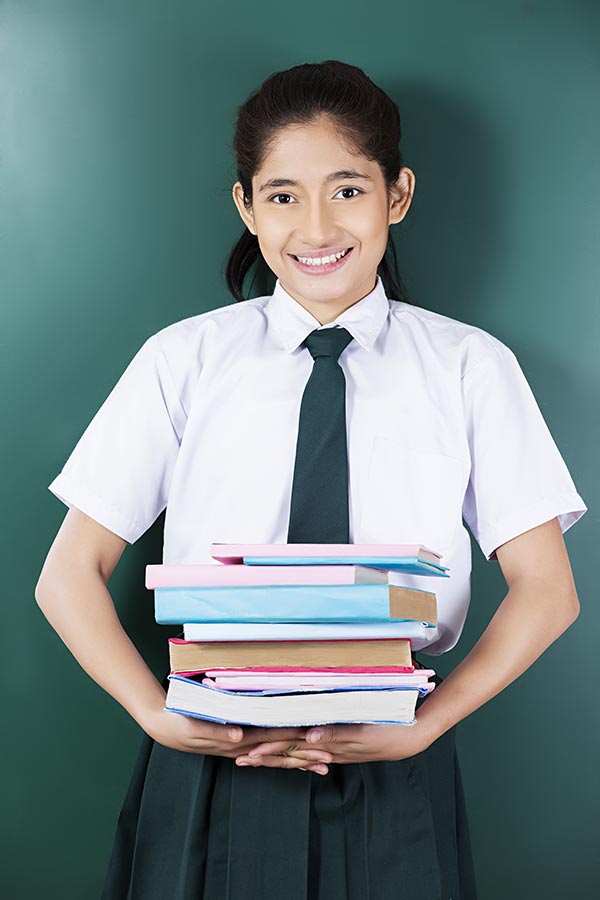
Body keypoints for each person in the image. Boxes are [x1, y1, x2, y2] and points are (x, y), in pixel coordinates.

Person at [35, 60, 587, 900]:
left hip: (392, 759)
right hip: (211, 759)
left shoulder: (470, 367)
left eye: (348, 190)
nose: (317, 225)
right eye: (283, 195)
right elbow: (67, 575)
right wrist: (159, 717)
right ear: (246, 206)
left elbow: (548, 591)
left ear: (396, 195)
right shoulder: (183, 360)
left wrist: (421, 730)